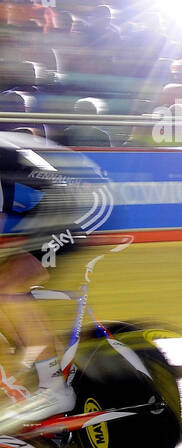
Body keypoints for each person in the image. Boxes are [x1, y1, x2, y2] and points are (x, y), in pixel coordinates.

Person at [0, 133, 108, 431]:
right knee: (7, 286)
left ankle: (54, 389)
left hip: (86, 202)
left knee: (8, 287)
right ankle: (39, 359)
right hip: (54, 204)